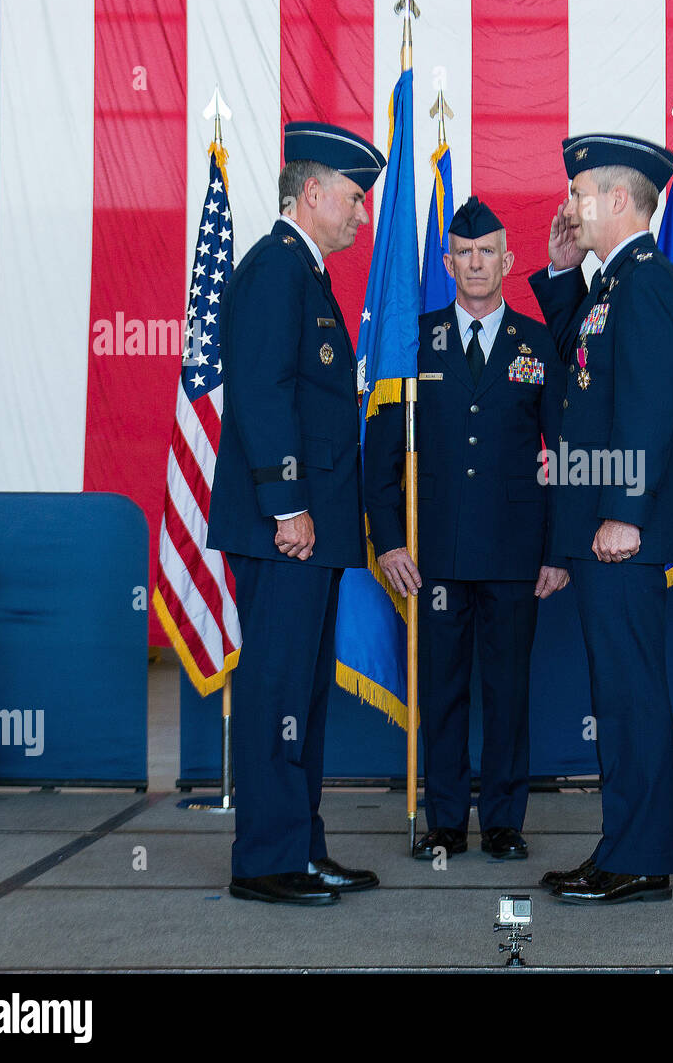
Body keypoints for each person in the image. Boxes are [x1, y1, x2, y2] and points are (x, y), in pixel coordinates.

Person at [208, 121, 385, 906]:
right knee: (277, 691)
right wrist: (287, 507)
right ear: (310, 194)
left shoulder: (303, 273)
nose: (360, 215)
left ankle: (299, 847)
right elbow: (260, 394)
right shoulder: (276, 270)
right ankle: (267, 861)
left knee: (302, 700)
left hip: (306, 530)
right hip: (284, 528)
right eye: (353, 198)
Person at [365, 196, 569, 862]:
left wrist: (561, 549)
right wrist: (391, 539)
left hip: (516, 556)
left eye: (488, 252)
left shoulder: (538, 344)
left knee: (508, 694)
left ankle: (505, 821)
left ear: (509, 261)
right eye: (464, 252)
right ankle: (447, 820)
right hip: (436, 556)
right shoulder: (411, 342)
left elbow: (565, 453)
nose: (476, 262)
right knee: (443, 693)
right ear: (446, 262)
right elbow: (382, 453)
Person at [527, 133, 673, 905]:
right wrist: (563, 275)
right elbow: (580, 371)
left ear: (618, 200)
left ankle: (642, 856)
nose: (568, 205)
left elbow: (650, 409)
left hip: (621, 530)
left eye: (579, 193)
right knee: (616, 693)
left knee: (630, 694)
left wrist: (624, 514)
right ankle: (624, 846)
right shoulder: (611, 284)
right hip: (600, 526)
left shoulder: (649, 283)